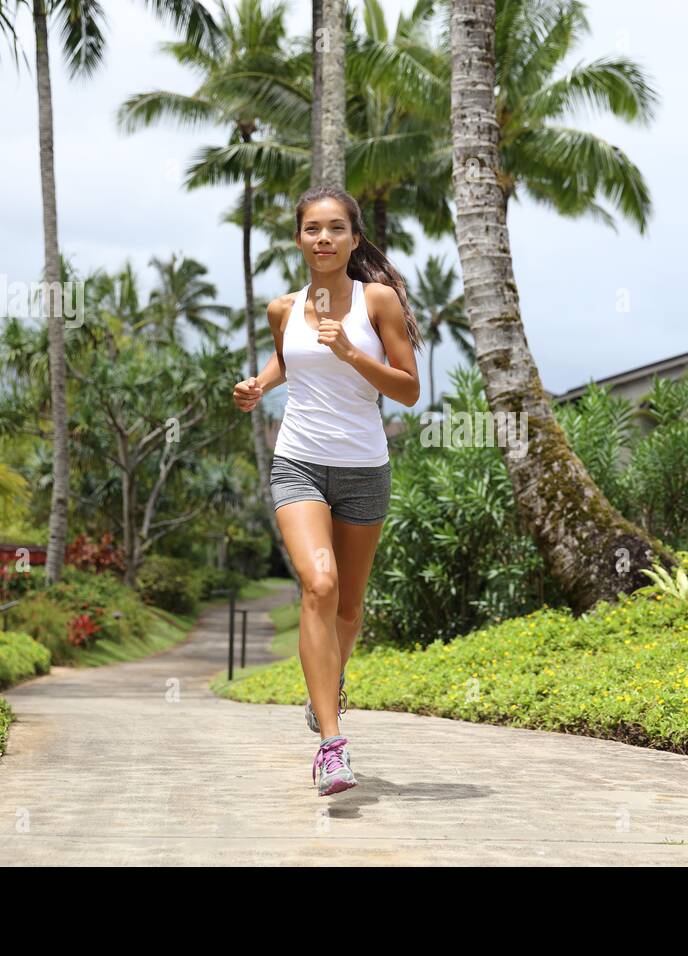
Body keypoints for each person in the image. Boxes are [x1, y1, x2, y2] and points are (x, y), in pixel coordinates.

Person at [233, 186, 422, 796]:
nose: (323, 238)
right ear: (298, 239)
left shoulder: (379, 302)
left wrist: (349, 352)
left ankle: (326, 690)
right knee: (320, 583)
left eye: (336, 228)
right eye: (312, 228)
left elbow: (408, 389)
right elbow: (288, 359)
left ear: (354, 239)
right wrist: (260, 384)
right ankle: (331, 746)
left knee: (348, 609)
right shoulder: (282, 308)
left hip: (365, 468)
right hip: (300, 463)